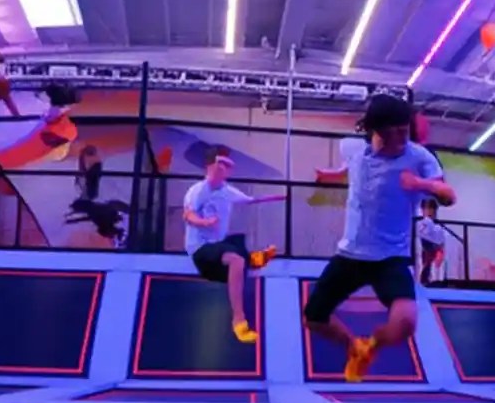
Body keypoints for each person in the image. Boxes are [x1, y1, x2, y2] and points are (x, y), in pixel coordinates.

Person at [303, 94, 457, 382]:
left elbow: (449, 196)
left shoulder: (419, 157)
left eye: (406, 130)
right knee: (313, 318)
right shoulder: (354, 150)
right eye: (396, 131)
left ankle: (372, 345)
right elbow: (349, 168)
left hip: (391, 258)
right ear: (376, 130)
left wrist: (420, 183)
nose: (403, 137)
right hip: (350, 254)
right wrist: (331, 176)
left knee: (406, 322)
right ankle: (354, 348)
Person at [183, 146, 286, 344]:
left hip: (217, 245)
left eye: (227, 166)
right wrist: (204, 222)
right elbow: (187, 214)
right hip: (200, 249)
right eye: (220, 164)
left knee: (237, 241)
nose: (224, 169)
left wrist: (278, 196)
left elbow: (251, 200)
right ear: (209, 166)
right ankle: (238, 320)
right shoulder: (198, 191)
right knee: (236, 259)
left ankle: (253, 259)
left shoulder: (227, 191)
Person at [416, 199, 445, 285]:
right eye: (427, 208)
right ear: (422, 210)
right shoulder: (418, 224)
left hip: (434, 256)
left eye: (432, 209)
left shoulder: (439, 227)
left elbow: (441, 242)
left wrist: (439, 251)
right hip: (423, 254)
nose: (430, 211)